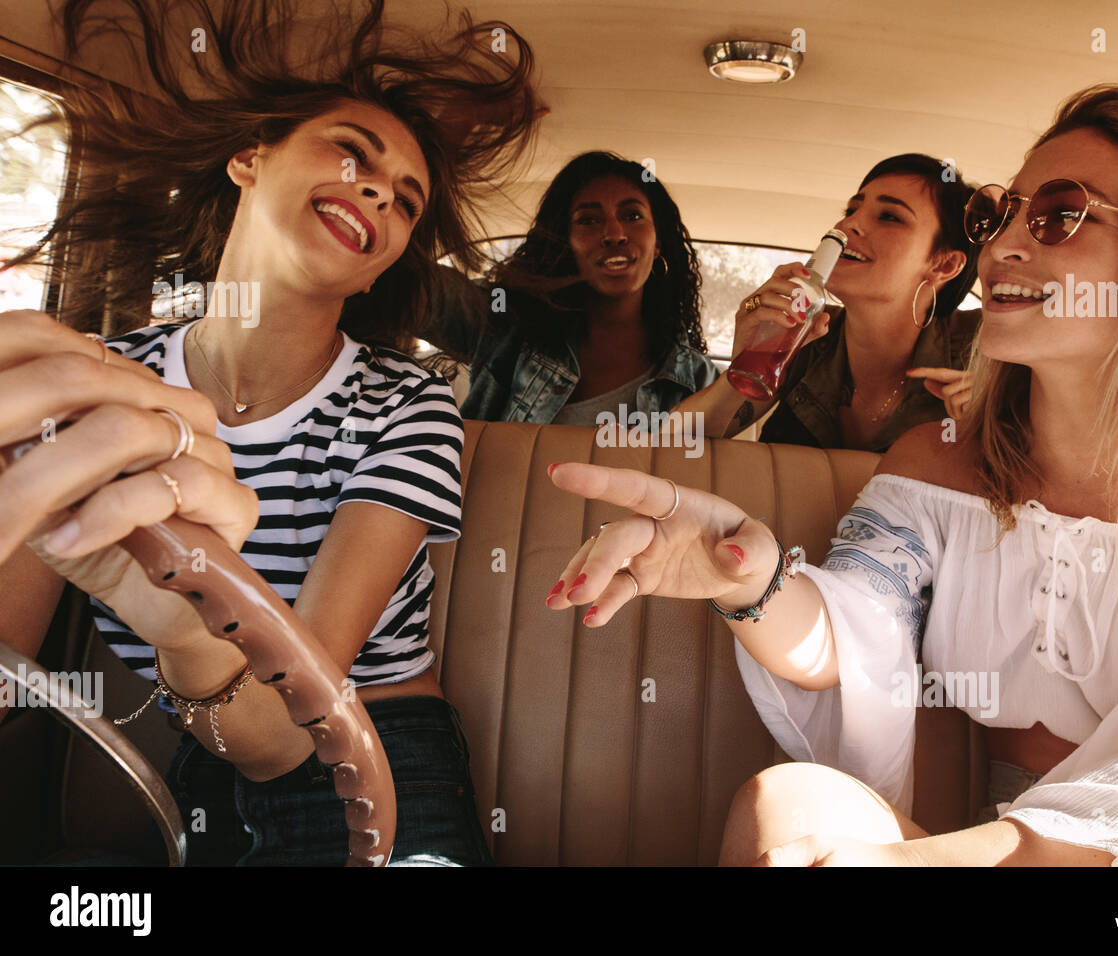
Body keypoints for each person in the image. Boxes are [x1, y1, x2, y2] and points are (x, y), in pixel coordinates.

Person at [543, 84, 1118, 866]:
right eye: (1000, 214)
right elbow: (856, 631)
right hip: (989, 843)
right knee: (787, 806)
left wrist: (916, 863)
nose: (1002, 245)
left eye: (1059, 214)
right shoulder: (938, 464)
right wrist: (745, 574)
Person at [0, 0, 538, 865]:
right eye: (352, 151)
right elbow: (5, 662)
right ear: (250, 157)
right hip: (198, 751)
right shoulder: (99, 381)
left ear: (381, 266)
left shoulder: (407, 404)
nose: (377, 192)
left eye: (403, 201)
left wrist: (184, 629)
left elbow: (297, 726)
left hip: (382, 743)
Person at [672, 154, 981, 451]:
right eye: (850, 211)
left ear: (944, 265)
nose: (847, 227)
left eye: (889, 217)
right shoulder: (805, 333)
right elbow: (673, 442)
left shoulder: (984, 351)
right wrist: (744, 367)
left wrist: (990, 426)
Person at [426, 151, 718, 425]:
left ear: (658, 245)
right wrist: (440, 155)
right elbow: (406, 289)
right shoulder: (506, 325)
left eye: (632, 216)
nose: (614, 234)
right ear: (564, 245)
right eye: (588, 220)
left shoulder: (697, 378)